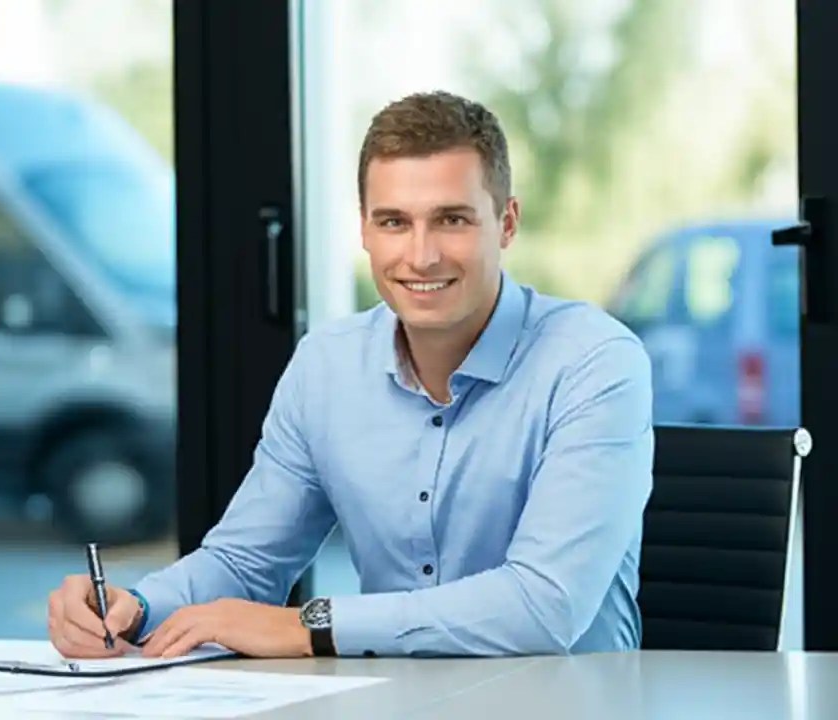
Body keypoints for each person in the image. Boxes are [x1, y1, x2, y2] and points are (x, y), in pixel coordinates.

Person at [46, 90, 653, 659]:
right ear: (363, 228)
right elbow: (244, 561)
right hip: (390, 701)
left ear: (508, 223)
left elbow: (545, 606)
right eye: (394, 222)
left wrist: (306, 626)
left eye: (452, 220)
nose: (421, 255)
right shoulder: (327, 366)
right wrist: (137, 608)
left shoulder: (594, 362)